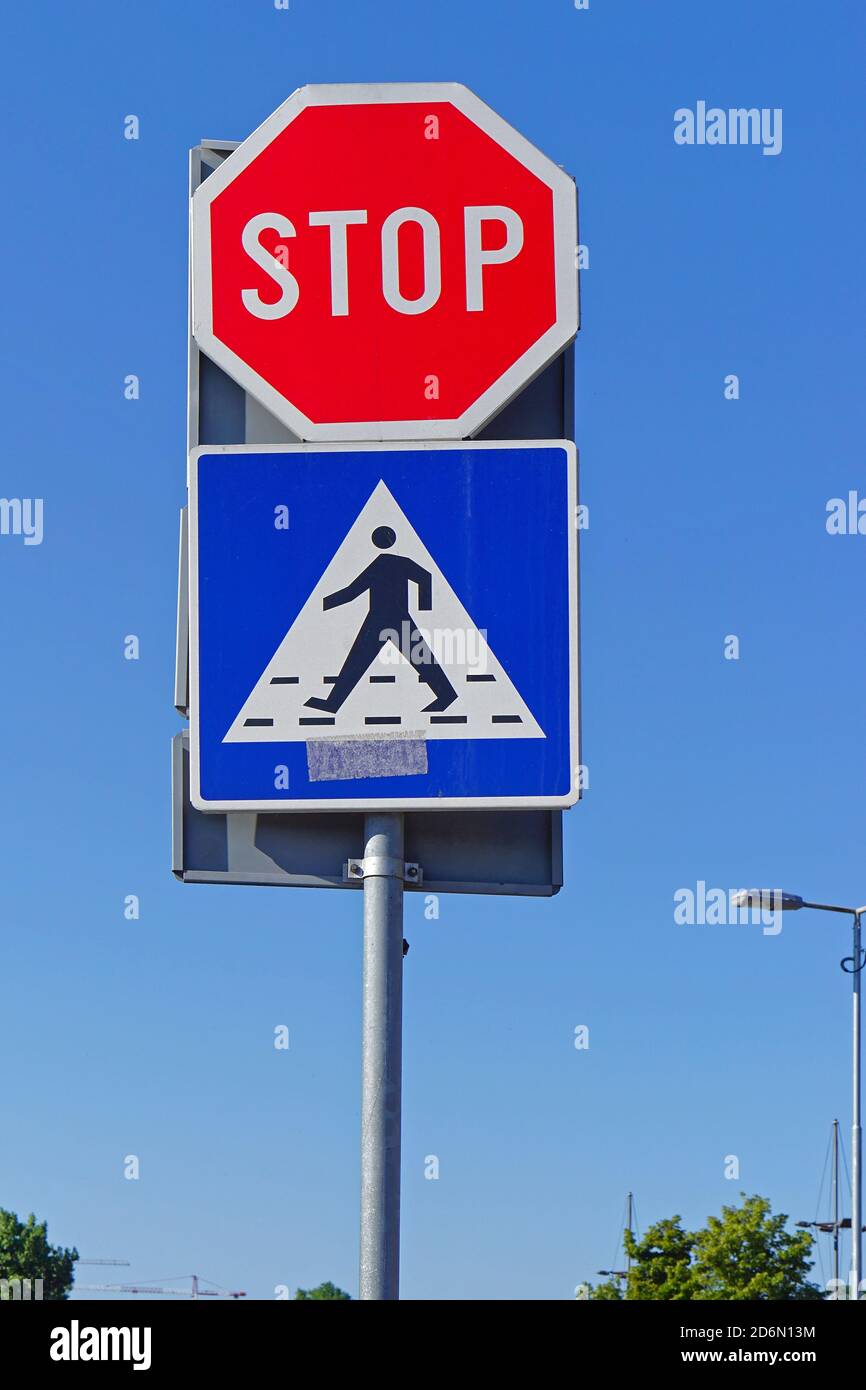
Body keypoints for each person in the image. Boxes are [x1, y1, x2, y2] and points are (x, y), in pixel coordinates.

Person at [304, 526, 458, 714]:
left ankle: (333, 703)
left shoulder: (379, 564)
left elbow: (351, 592)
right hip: (392, 616)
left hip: (382, 618)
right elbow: (424, 577)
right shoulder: (401, 562)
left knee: (360, 660)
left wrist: (321, 604)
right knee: (413, 657)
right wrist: (423, 604)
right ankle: (333, 703)